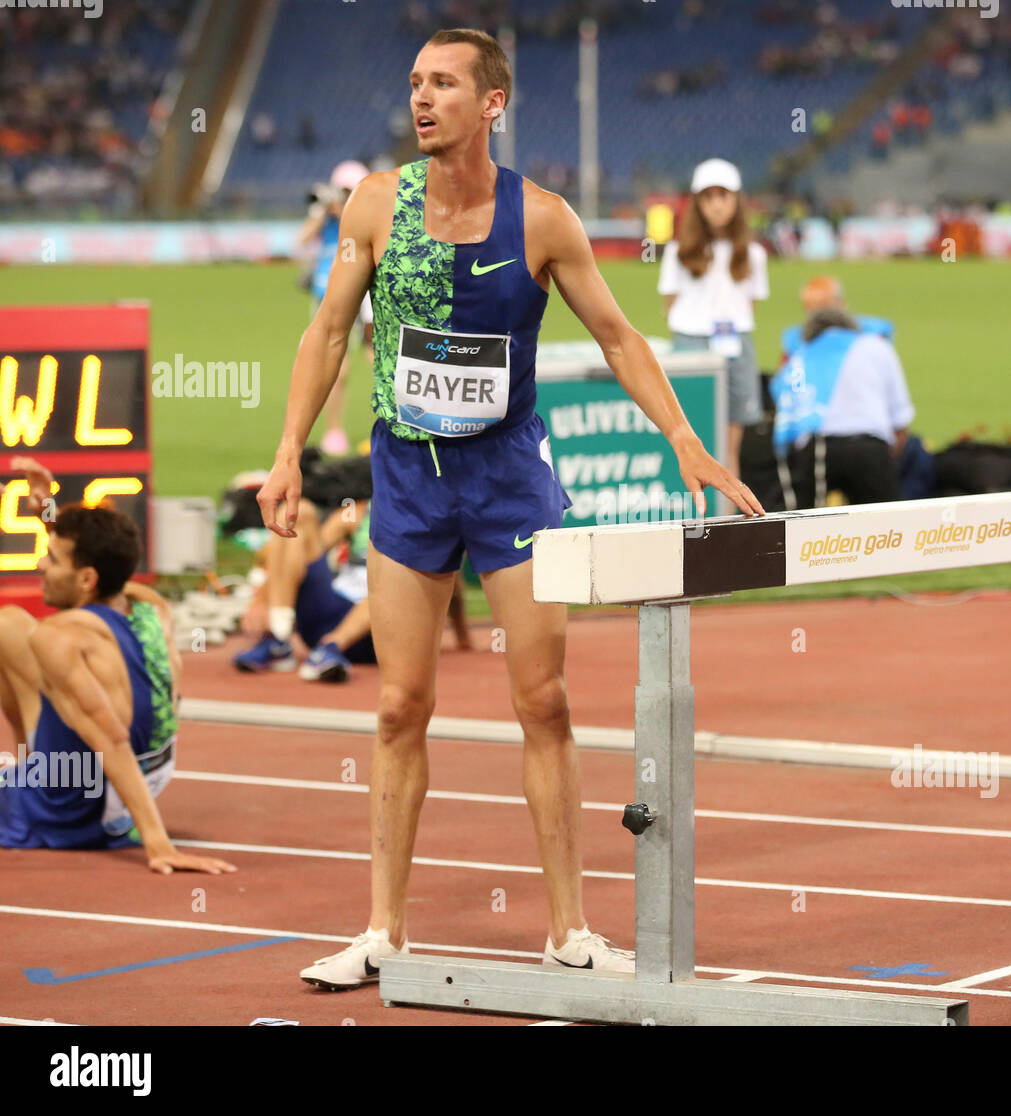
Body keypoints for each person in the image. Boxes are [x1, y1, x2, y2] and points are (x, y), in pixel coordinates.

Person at [256, 28, 761, 990]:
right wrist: (285, 454)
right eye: (414, 82)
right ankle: (383, 935)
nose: (422, 97)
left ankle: (569, 931)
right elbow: (327, 335)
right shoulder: (374, 204)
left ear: (494, 101)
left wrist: (686, 438)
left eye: (443, 83)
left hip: (510, 482)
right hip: (408, 475)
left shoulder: (542, 219)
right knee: (401, 704)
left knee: (544, 702)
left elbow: (617, 337)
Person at [0, 458, 234, 873]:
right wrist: (47, 515)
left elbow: (111, 741)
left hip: (63, 813)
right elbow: (104, 563)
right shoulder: (152, 607)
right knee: (8, 625)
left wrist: (158, 844)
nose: (40, 564)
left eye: (50, 559)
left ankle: (26, 783)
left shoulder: (58, 637)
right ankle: (28, 762)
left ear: (87, 579)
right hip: (126, 790)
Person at [657, 157, 769, 503]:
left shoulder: (752, 254)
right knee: (692, 436)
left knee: (731, 438)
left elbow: (750, 304)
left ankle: (729, 519)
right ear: (697, 203)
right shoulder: (678, 252)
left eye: (724, 195)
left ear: (737, 200)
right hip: (692, 343)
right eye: (708, 197)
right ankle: (693, 515)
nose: (717, 204)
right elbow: (670, 305)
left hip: (735, 345)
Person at [770, 276, 913, 508]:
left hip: (818, 449)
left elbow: (788, 398)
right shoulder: (878, 346)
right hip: (871, 447)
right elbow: (900, 419)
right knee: (883, 532)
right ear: (843, 304)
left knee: (806, 532)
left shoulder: (800, 355)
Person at [234, 498, 381, 681]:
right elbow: (302, 552)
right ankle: (279, 635)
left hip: (383, 634)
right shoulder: (359, 512)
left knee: (394, 576)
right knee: (297, 512)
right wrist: (261, 600)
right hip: (330, 614)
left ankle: (332, 646)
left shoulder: (421, 518)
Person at [298, 160, 375, 456]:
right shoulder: (326, 215)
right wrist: (321, 212)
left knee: (376, 357)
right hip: (328, 293)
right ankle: (333, 431)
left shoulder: (365, 212)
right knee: (335, 368)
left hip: (365, 291)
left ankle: (386, 426)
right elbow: (303, 238)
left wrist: (344, 210)